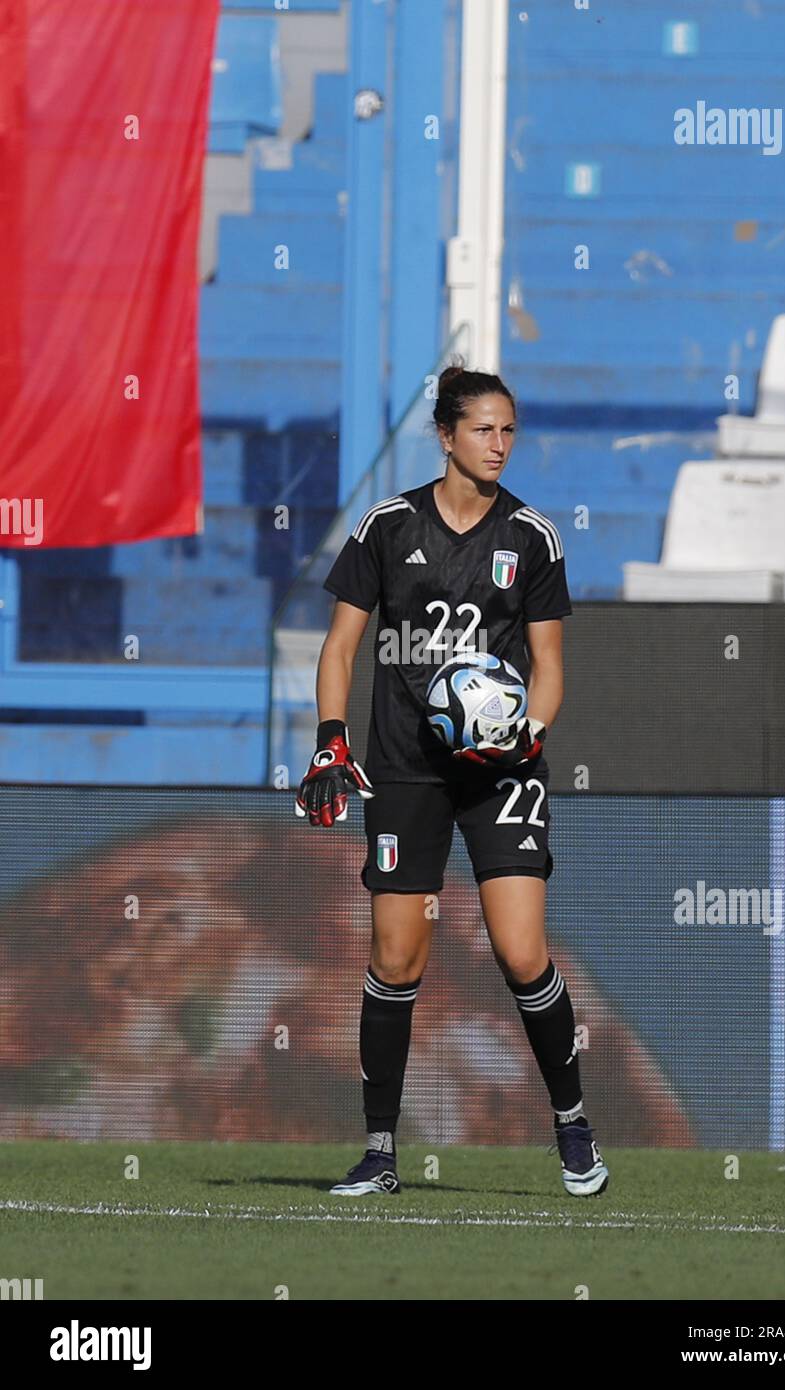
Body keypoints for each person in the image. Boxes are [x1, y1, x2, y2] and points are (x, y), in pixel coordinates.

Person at [295, 361, 609, 1197]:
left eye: (509, 430)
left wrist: (523, 735)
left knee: (520, 949)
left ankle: (573, 1125)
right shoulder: (388, 529)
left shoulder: (532, 538)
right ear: (444, 435)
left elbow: (548, 668)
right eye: (482, 429)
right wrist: (332, 738)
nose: (499, 444)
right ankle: (380, 1152)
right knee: (396, 958)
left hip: (502, 775)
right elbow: (339, 648)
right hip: (405, 771)